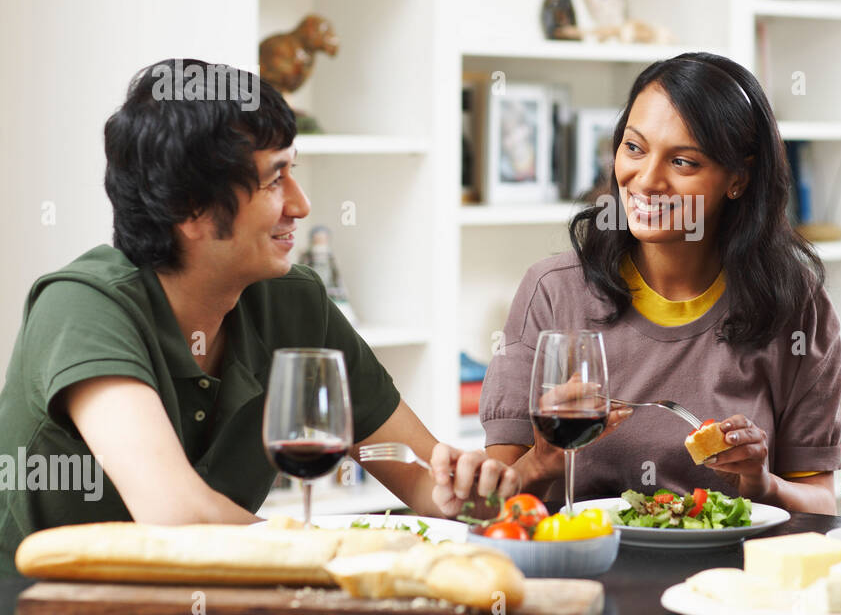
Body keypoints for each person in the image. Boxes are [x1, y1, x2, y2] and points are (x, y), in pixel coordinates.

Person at [0, 60, 514, 574]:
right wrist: (345, 557)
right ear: (191, 208)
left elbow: (421, 476)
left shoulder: (293, 301)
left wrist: (458, 491)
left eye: (295, 170)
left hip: (219, 614)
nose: (302, 204)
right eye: (274, 180)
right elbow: (177, 515)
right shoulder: (83, 308)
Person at [480, 52, 841, 513]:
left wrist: (762, 485)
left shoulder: (795, 304)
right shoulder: (553, 292)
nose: (646, 180)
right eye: (634, 148)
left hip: (731, 577)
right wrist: (544, 461)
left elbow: (820, 505)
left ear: (738, 179)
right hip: (586, 566)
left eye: (684, 162)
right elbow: (494, 506)